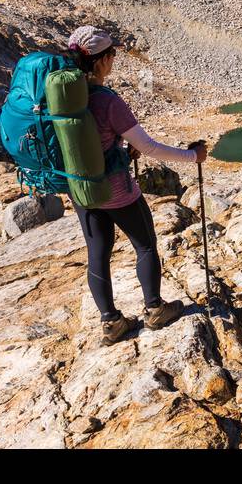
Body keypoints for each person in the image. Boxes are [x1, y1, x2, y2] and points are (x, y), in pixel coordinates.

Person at [65, 25, 208, 344]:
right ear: (101, 61)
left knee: (97, 252)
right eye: (112, 54)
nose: (114, 59)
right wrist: (192, 156)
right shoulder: (107, 101)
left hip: (81, 189)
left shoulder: (61, 99)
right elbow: (149, 147)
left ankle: (110, 322)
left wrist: (116, 148)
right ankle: (155, 309)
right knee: (144, 244)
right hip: (116, 191)